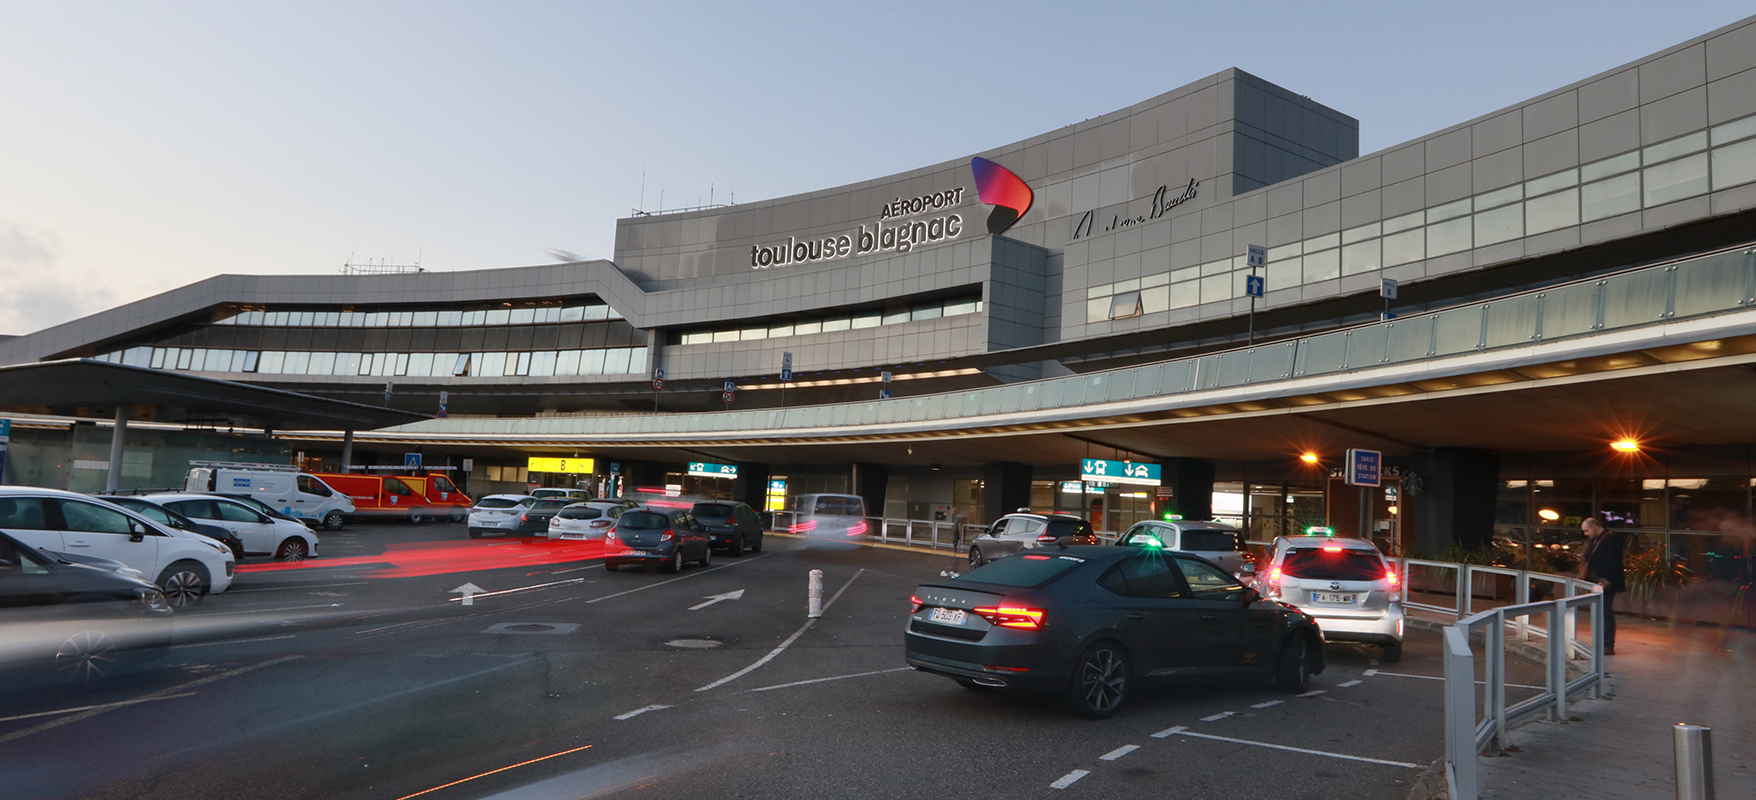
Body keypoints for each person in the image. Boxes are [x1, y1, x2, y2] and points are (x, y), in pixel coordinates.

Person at [1577, 517, 1626, 654]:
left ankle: (1608, 644)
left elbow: (1615, 562)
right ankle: (1603, 643)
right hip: (1598, 582)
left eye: (1586, 530)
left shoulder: (1611, 539)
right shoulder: (1597, 539)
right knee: (1602, 613)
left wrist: (1606, 581)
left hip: (1605, 583)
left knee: (1605, 613)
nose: (1585, 533)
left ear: (1593, 527)